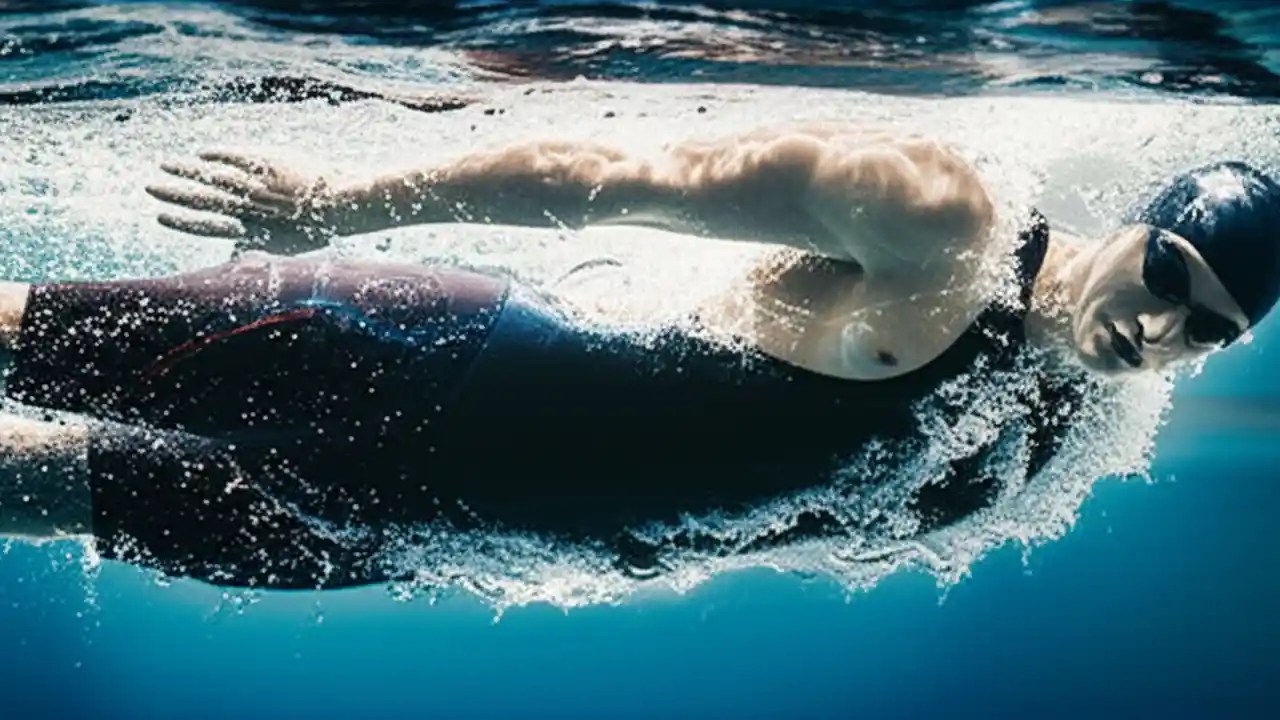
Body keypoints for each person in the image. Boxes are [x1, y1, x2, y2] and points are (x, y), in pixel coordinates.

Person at [1, 124, 1276, 590]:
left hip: (410, 532)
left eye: (1204, 332)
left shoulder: (1057, 445)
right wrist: (342, 197)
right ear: (1132, 224)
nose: (1161, 328)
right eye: (1166, 271)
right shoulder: (941, 225)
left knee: (38, 496)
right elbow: (626, 180)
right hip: (405, 358)